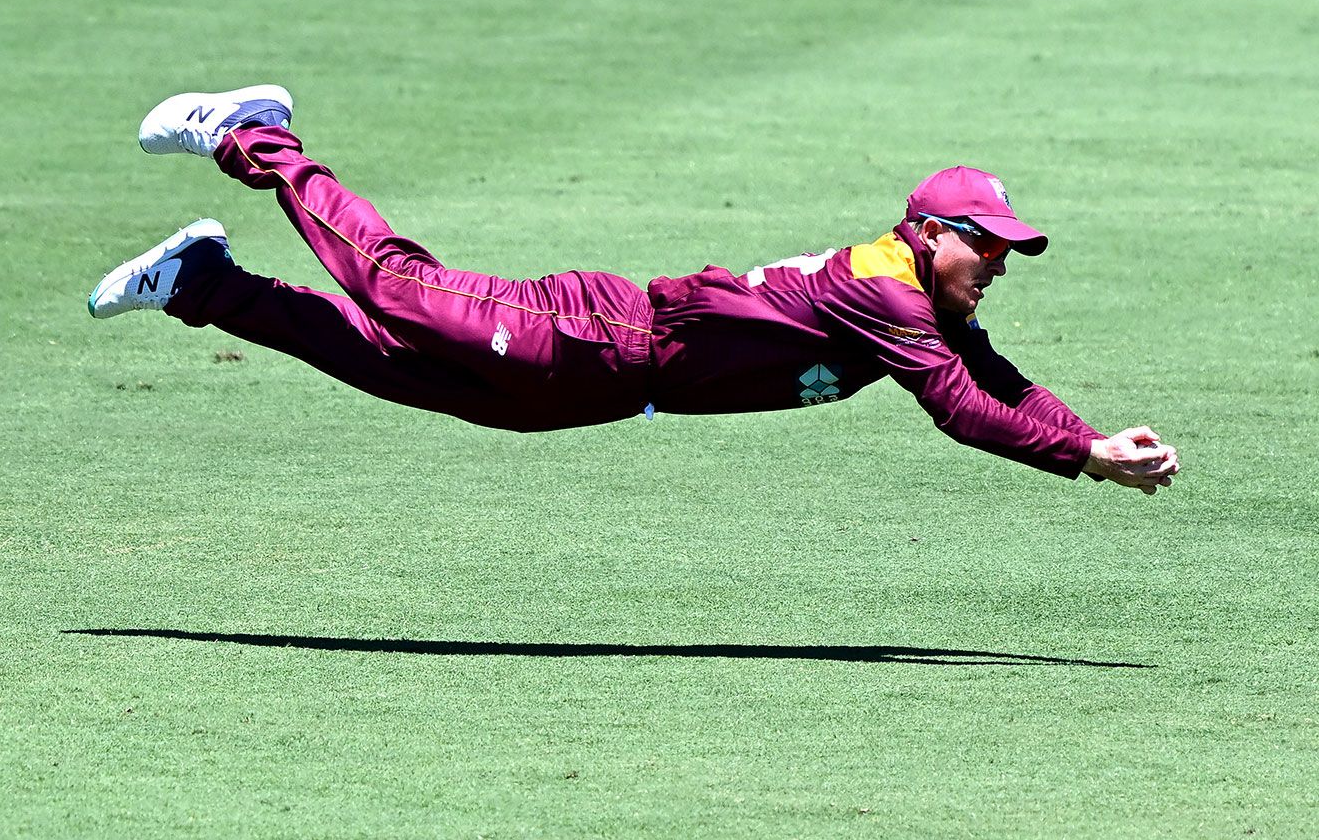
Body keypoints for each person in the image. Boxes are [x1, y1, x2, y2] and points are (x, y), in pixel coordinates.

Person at [90, 85, 1180, 494]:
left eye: (1001, 251)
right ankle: (254, 136)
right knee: (393, 289)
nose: (993, 264)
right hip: (594, 332)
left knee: (391, 368)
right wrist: (1079, 457)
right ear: (929, 231)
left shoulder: (923, 308)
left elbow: (996, 380)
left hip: (609, 386)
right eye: (981, 245)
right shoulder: (883, 291)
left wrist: (1085, 439)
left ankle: (209, 284)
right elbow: (959, 407)